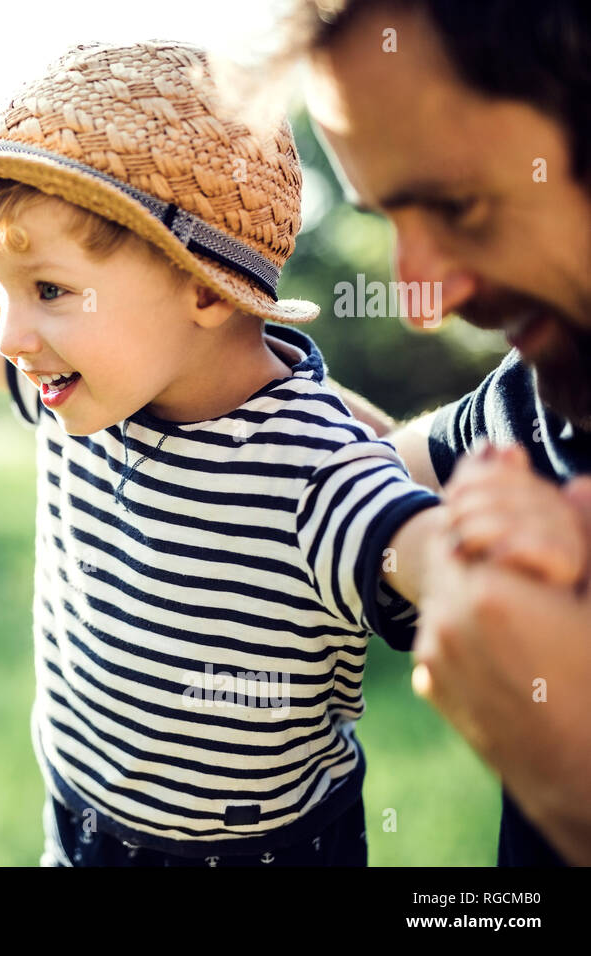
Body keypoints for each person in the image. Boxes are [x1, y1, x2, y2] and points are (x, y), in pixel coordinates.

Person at [0, 39, 496, 866]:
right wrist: (7, 212)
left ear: (203, 286)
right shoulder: (81, 394)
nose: (10, 334)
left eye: (48, 289)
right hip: (76, 819)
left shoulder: (311, 459)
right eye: (2, 290)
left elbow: (422, 547)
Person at [297, 0, 591, 865]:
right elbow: (377, 468)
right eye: (389, 218)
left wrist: (570, 777)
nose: (423, 300)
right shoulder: (547, 402)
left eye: (459, 205)